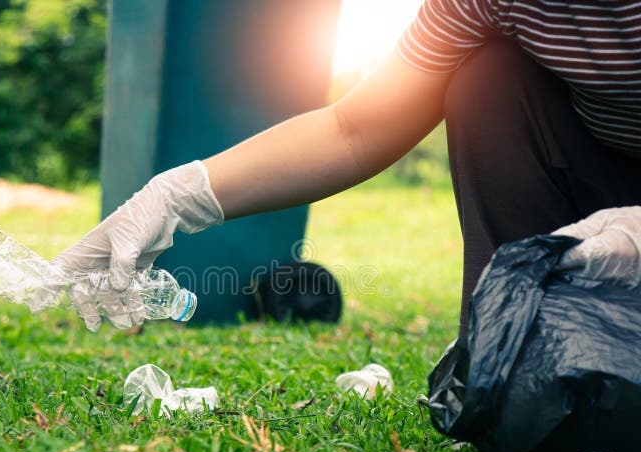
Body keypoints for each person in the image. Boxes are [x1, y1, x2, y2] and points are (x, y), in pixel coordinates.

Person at [53, 0, 641, 333]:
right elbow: (354, 129)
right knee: (485, 80)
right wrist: (175, 196)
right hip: (591, 190)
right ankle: (519, 339)